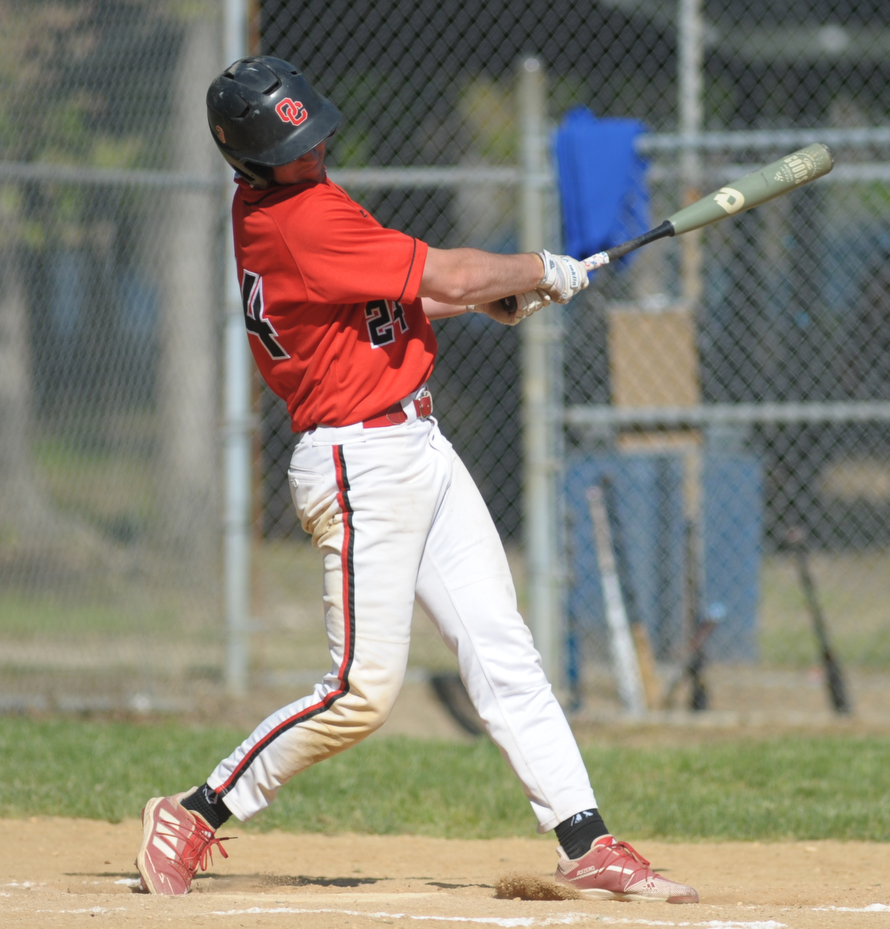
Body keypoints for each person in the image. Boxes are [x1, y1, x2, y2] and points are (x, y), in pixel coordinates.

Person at [133, 55, 698, 904]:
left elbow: (394, 301)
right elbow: (455, 272)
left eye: (312, 134)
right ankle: (198, 810)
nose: (313, 151)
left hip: (415, 445)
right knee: (361, 691)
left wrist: (498, 296)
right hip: (360, 464)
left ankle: (585, 841)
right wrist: (537, 269)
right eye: (292, 146)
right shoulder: (295, 218)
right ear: (250, 159)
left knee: (502, 647)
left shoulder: (297, 200)